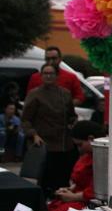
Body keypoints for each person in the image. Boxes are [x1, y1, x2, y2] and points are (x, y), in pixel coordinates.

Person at [21, 63, 77, 194]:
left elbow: (72, 115)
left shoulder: (65, 93)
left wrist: (73, 123)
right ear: (41, 76)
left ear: (57, 76)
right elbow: (25, 119)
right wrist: (33, 134)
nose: (48, 76)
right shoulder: (34, 94)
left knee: (63, 180)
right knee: (45, 181)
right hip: (44, 144)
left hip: (64, 144)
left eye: (51, 73)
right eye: (45, 73)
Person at [47, 121, 104, 211]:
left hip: (88, 203)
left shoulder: (102, 159)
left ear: (91, 139)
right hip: (78, 197)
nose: (79, 149)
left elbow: (96, 190)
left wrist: (73, 197)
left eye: (80, 144)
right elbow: (81, 181)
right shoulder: (87, 156)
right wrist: (70, 189)